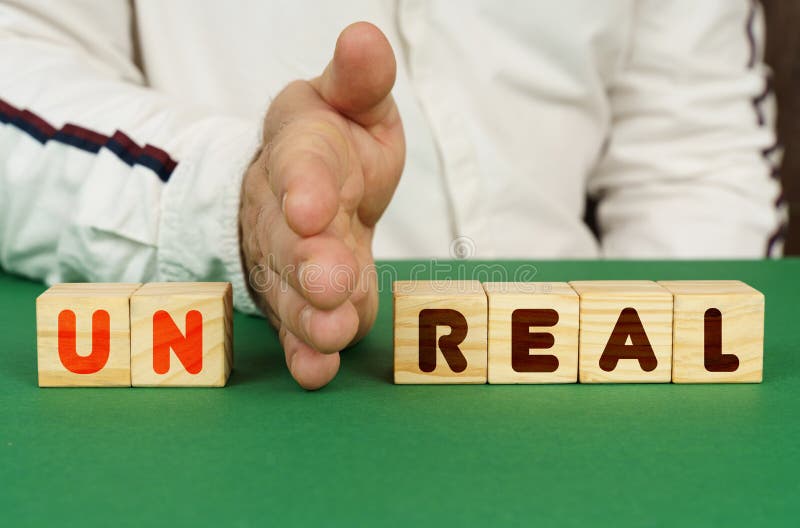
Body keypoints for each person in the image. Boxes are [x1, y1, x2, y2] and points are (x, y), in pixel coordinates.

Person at [0, 1, 784, 389]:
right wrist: (239, 200)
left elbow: (694, 155)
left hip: (578, 387)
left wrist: (668, 385)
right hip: (252, 378)